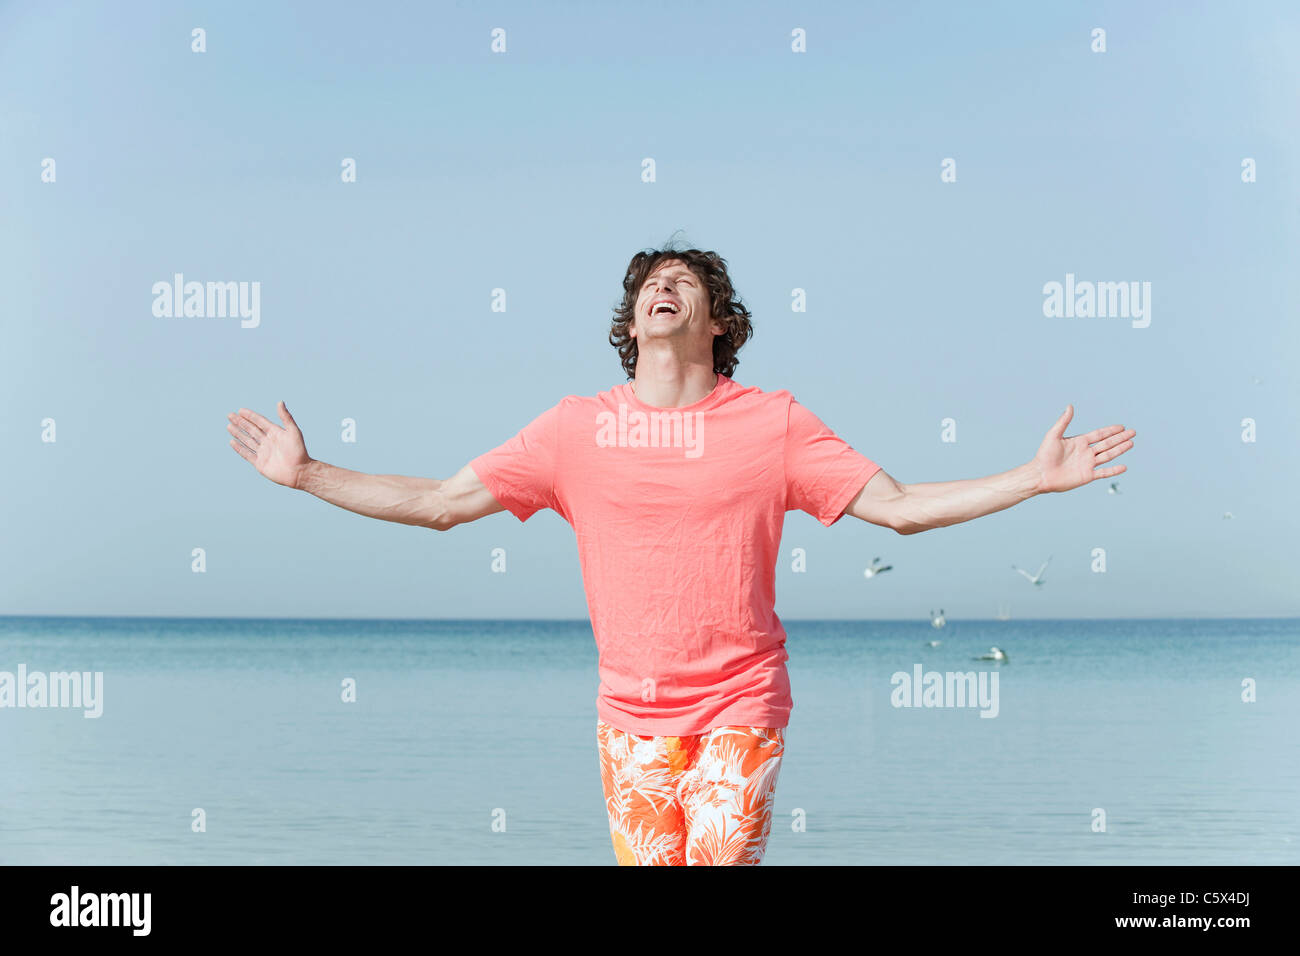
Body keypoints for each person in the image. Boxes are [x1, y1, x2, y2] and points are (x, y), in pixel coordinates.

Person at [226, 245, 1136, 865]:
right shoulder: (571, 430)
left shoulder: (772, 423)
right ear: (631, 323)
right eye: (648, 282)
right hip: (627, 720)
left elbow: (896, 511)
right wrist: (306, 475)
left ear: (718, 324)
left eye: (684, 281)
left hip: (741, 705)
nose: (662, 287)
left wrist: (1030, 477)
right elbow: (437, 504)